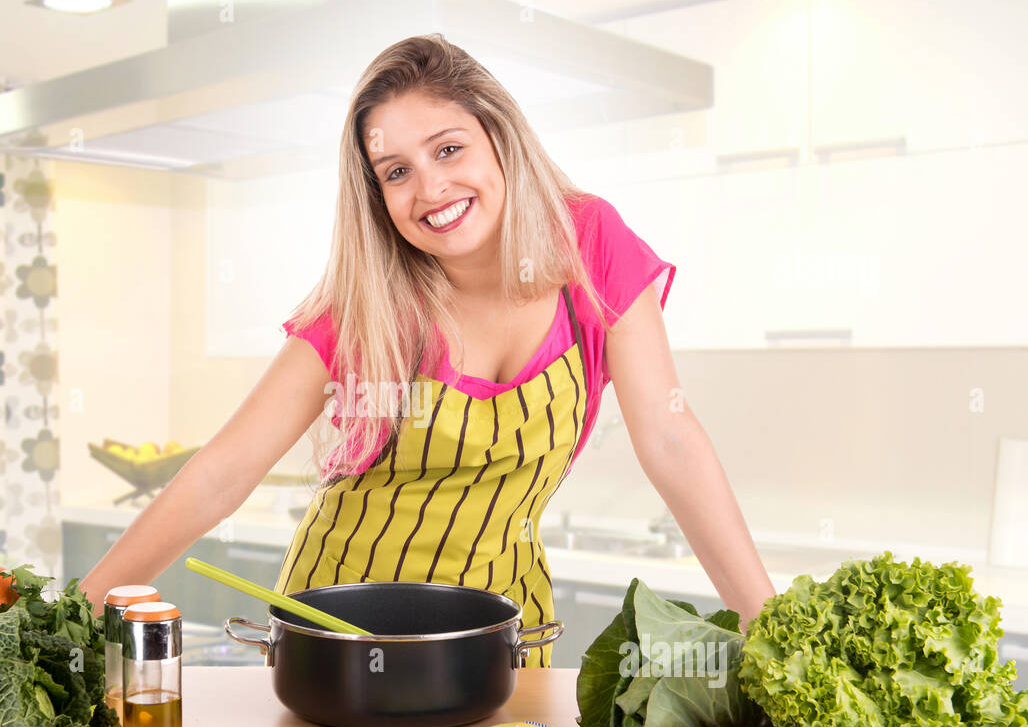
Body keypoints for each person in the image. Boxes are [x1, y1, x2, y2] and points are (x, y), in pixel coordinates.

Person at [80, 34, 776, 659]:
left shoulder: (589, 244)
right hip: (342, 637)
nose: (431, 188)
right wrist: (74, 618)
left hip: (500, 639)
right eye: (396, 171)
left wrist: (769, 626)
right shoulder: (366, 301)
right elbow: (219, 476)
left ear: (497, 136)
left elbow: (672, 439)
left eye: (448, 149)